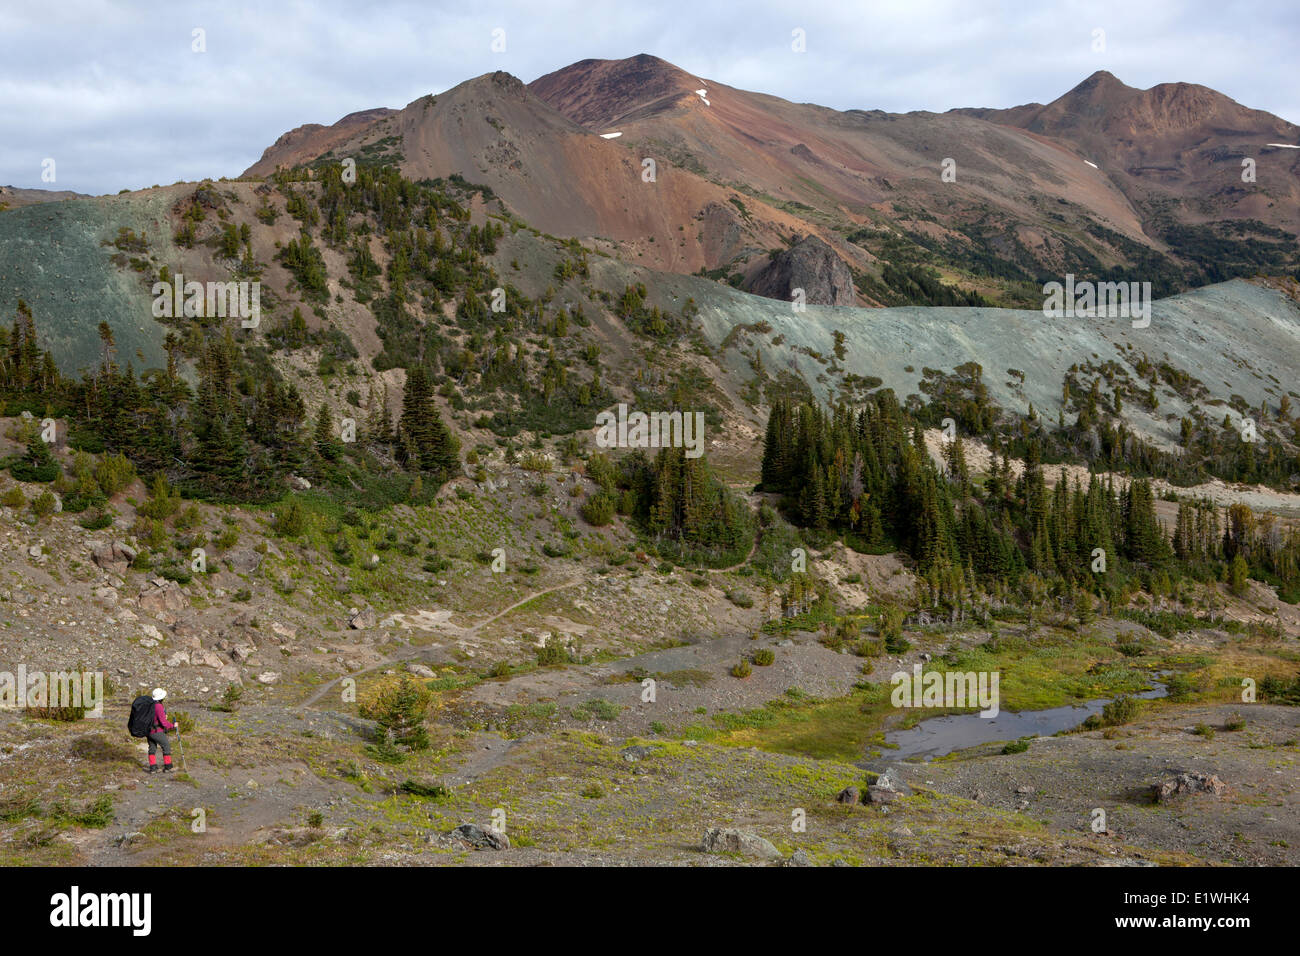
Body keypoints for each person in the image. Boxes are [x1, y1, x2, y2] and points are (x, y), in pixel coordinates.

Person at [147, 687, 176, 773]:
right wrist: (173, 725)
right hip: (157, 731)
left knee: (152, 748)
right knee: (166, 746)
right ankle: (168, 767)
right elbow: (163, 723)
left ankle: (153, 768)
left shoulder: (150, 705)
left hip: (148, 731)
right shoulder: (158, 706)